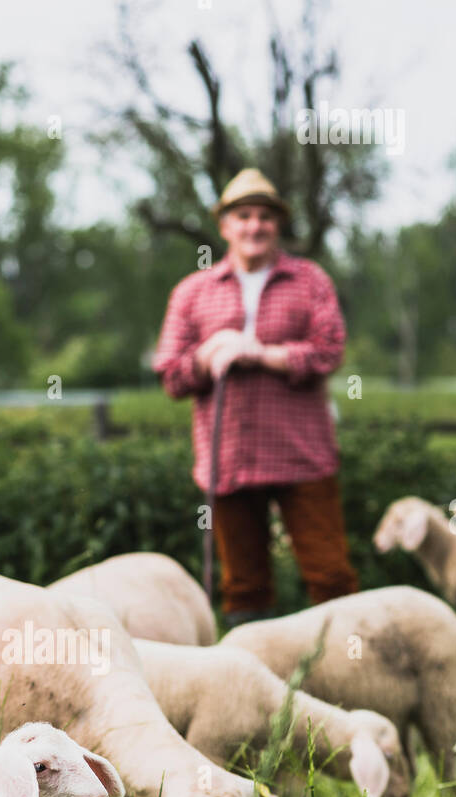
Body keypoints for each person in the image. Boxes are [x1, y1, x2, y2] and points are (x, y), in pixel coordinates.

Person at [152, 167, 358, 625]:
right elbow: (171, 375)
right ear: (225, 226)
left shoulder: (310, 281)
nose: (254, 225)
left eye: (264, 216)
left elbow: (330, 351)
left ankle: (350, 673)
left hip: (302, 456)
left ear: (278, 224)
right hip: (228, 460)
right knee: (244, 588)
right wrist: (206, 357)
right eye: (243, 215)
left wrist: (261, 354)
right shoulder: (192, 292)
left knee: (331, 577)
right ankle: (254, 683)